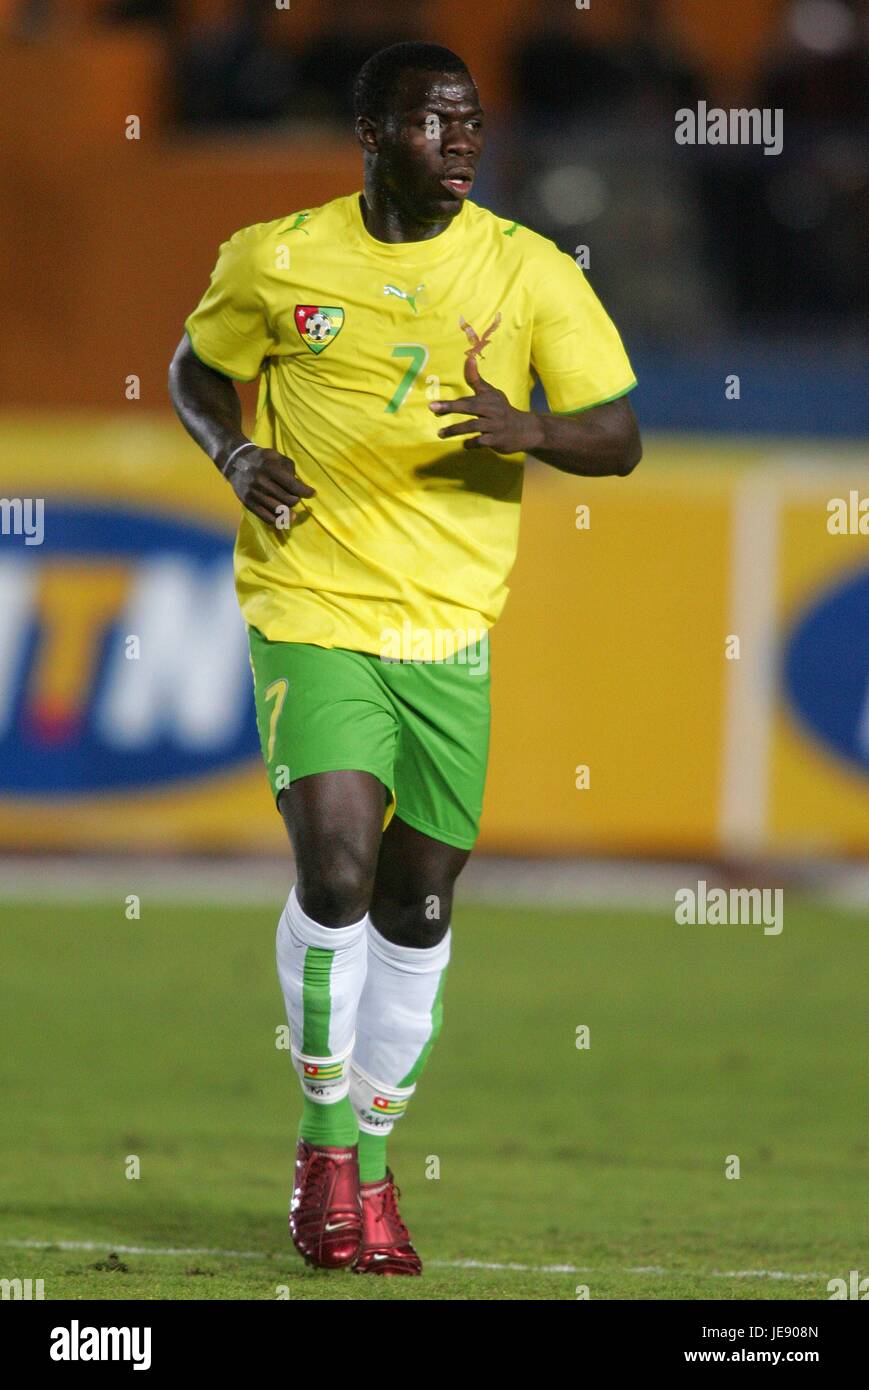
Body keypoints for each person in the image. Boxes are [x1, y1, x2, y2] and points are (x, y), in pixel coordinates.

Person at [168, 40, 641, 1278]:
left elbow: (620, 435)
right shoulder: (274, 258)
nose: (464, 142)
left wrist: (528, 427)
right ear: (372, 134)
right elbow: (194, 371)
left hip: (447, 634)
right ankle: (329, 1160)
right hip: (312, 607)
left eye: (473, 122)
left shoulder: (526, 271)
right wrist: (231, 456)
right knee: (336, 873)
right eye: (435, 123)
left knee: (415, 907)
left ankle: (370, 1157)